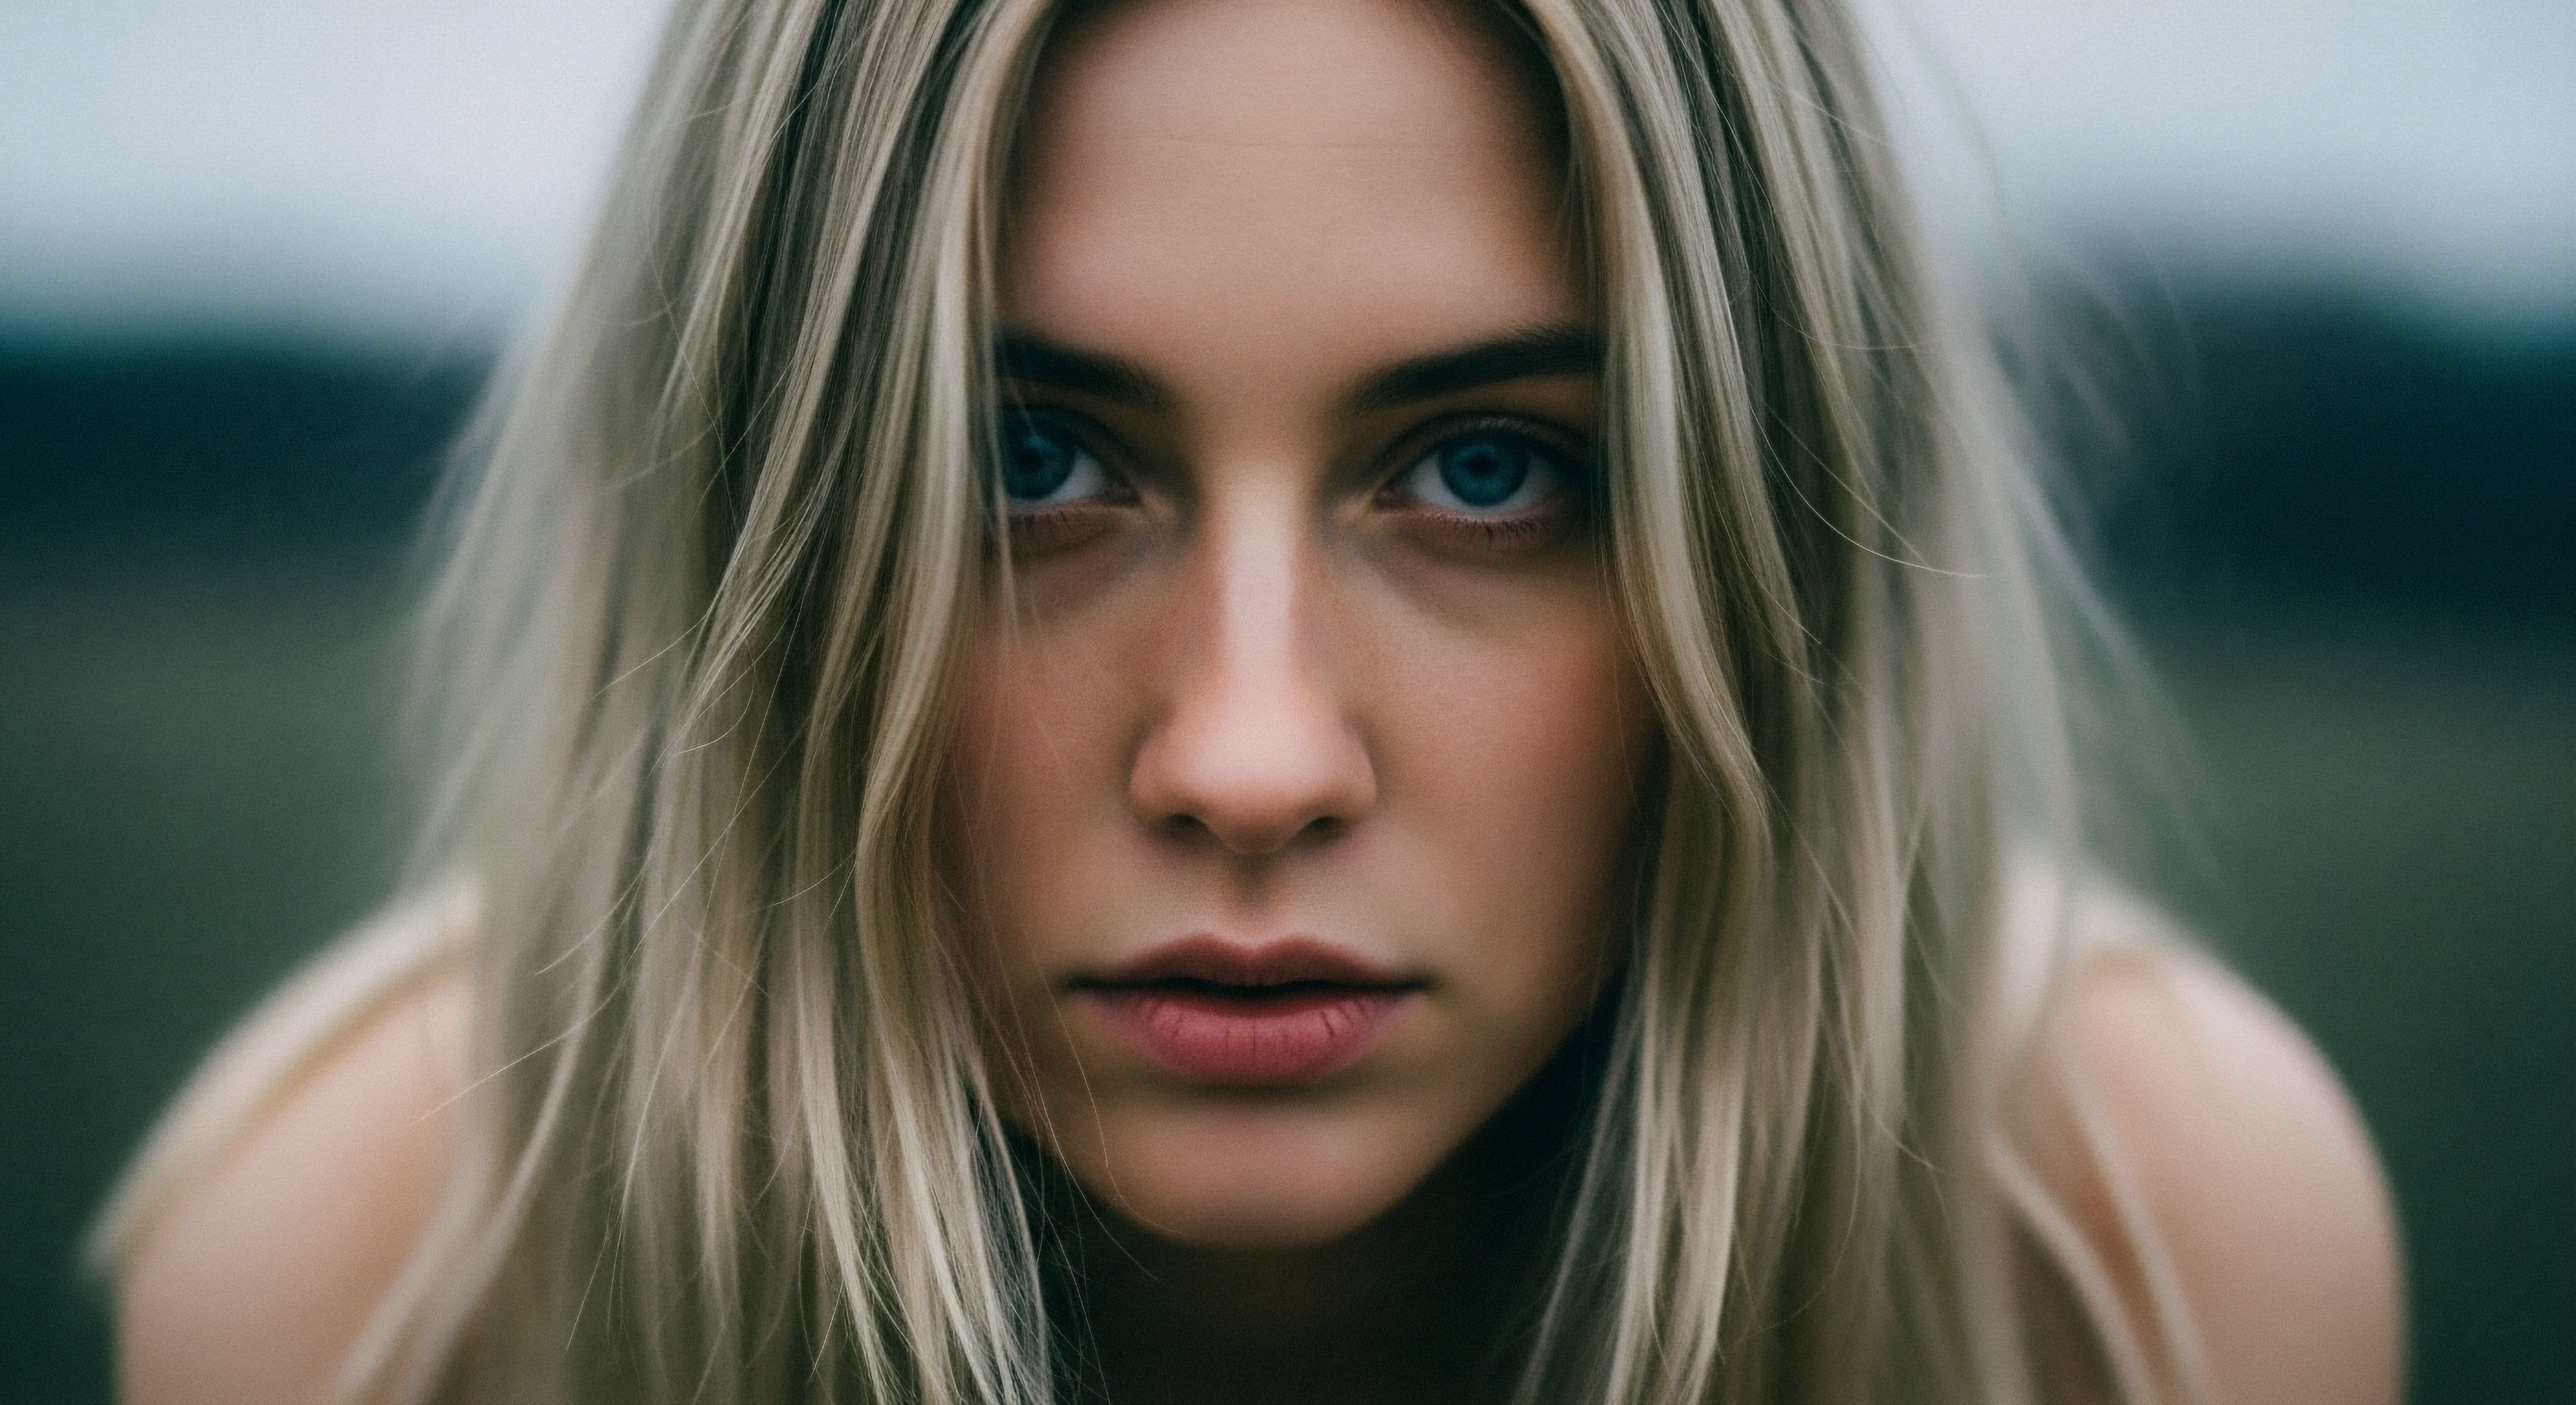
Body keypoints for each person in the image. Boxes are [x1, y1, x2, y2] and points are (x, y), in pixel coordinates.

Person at [91, 0, 2402, 1401]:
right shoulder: (383, 1297)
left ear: (1771, 533)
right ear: (753, 523)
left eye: (1491, 471)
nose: (1252, 758)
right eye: (1029, 461)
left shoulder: (2125, 1267)